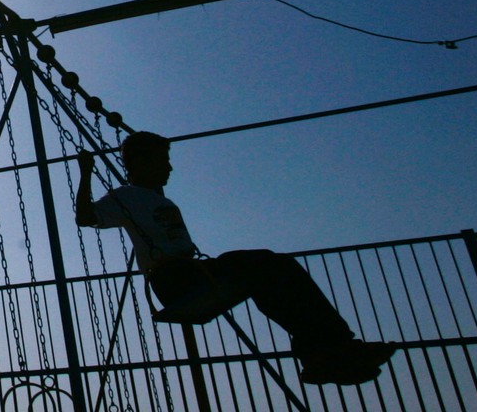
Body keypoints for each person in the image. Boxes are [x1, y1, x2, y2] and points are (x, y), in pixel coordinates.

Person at [75, 132, 397, 386]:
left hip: (194, 271)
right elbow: (85, 217)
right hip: (176, 279)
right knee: (269, 265)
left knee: (274, 274)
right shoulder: (125, 196)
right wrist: (86, 172)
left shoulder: (158, 197)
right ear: (144, 163)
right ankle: (327, 349)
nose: (170, 167)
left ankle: (326, 351)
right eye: (163, 160)